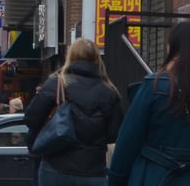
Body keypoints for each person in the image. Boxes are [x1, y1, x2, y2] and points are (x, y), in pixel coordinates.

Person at [24, 37, 123, 186]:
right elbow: (114, 134)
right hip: (93, 170)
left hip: (56, 166)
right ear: (96, 59)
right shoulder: (109, 91)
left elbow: (31, 118)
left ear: (70, 56)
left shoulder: (57, 83)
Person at [108, 21, 190, 186]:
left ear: (171, 47)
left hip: (155, 176)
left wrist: (115, 179)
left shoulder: (155, 85)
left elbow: (128, 141)